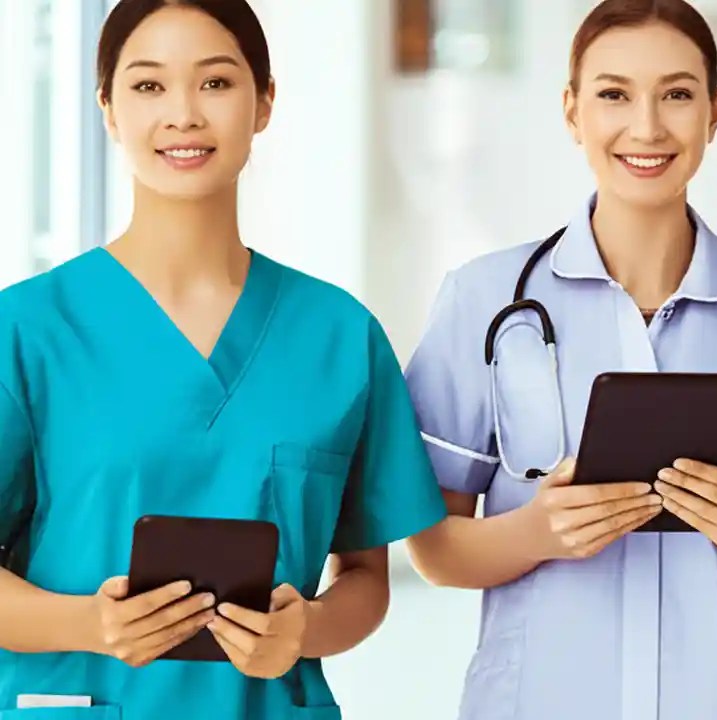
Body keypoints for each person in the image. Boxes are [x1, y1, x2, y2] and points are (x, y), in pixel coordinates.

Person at [401, 1, 717, 718]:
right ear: (572, 111)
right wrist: (535, 532)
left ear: (715, 112)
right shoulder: (484, 299)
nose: (647, 127)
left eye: (678, 95)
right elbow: (434, 548)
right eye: (614, 94)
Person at [0, 1, 447, 716]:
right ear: (108, 110)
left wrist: (305, 632)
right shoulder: (27, 328)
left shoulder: (338, 334)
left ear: (264, 102)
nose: (183, 114)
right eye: (148, 86)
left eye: (215, 83)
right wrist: (91, 623)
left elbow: (365, 574)